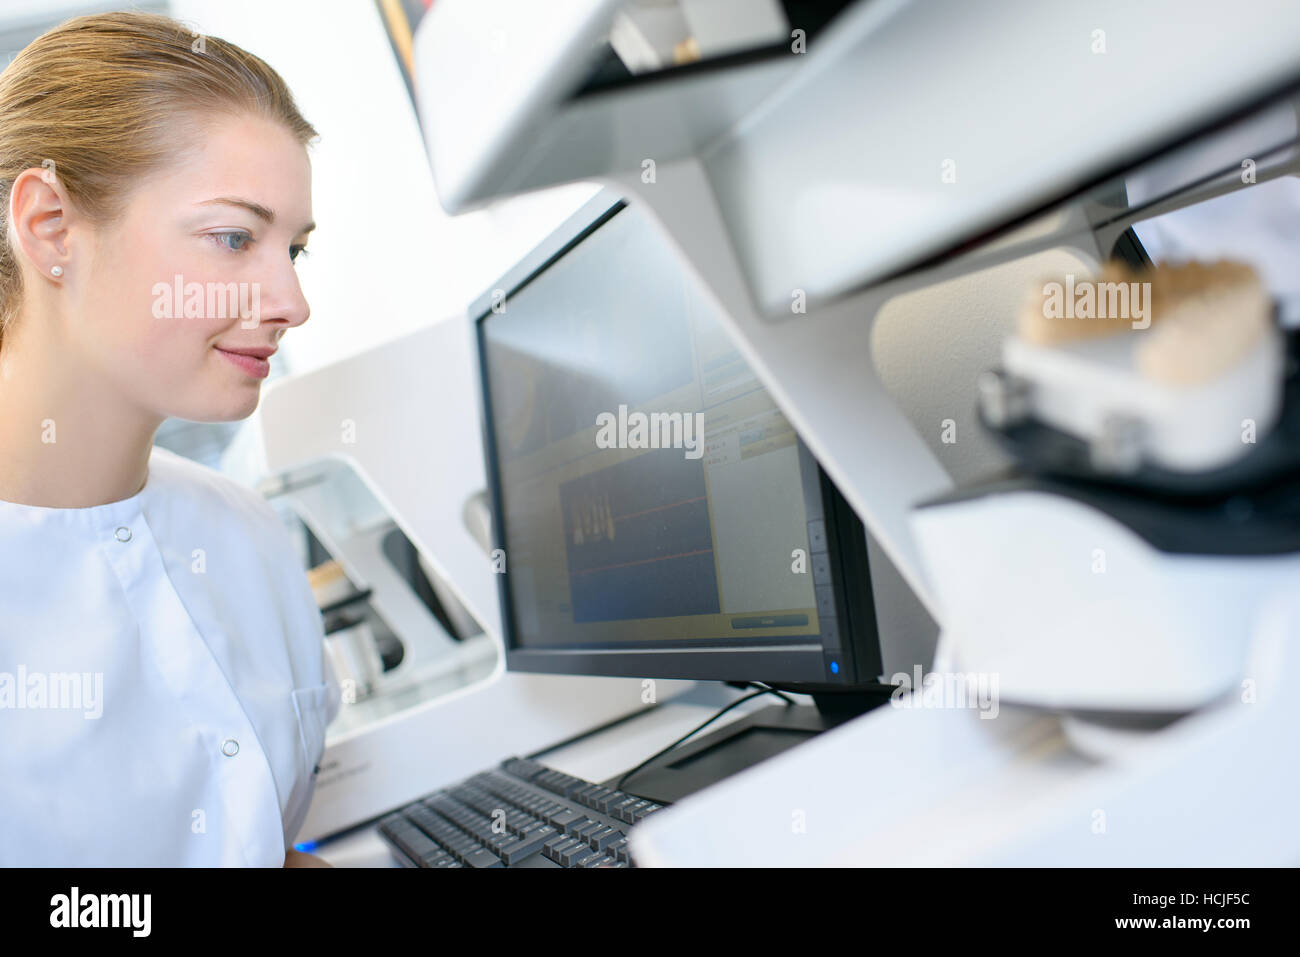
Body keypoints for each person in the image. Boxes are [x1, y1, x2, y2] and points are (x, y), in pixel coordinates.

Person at [0, 11, 339, 867]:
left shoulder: (248, 535)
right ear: (50, 227)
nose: (291, 302)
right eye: (234, 237)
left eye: (294, 249)